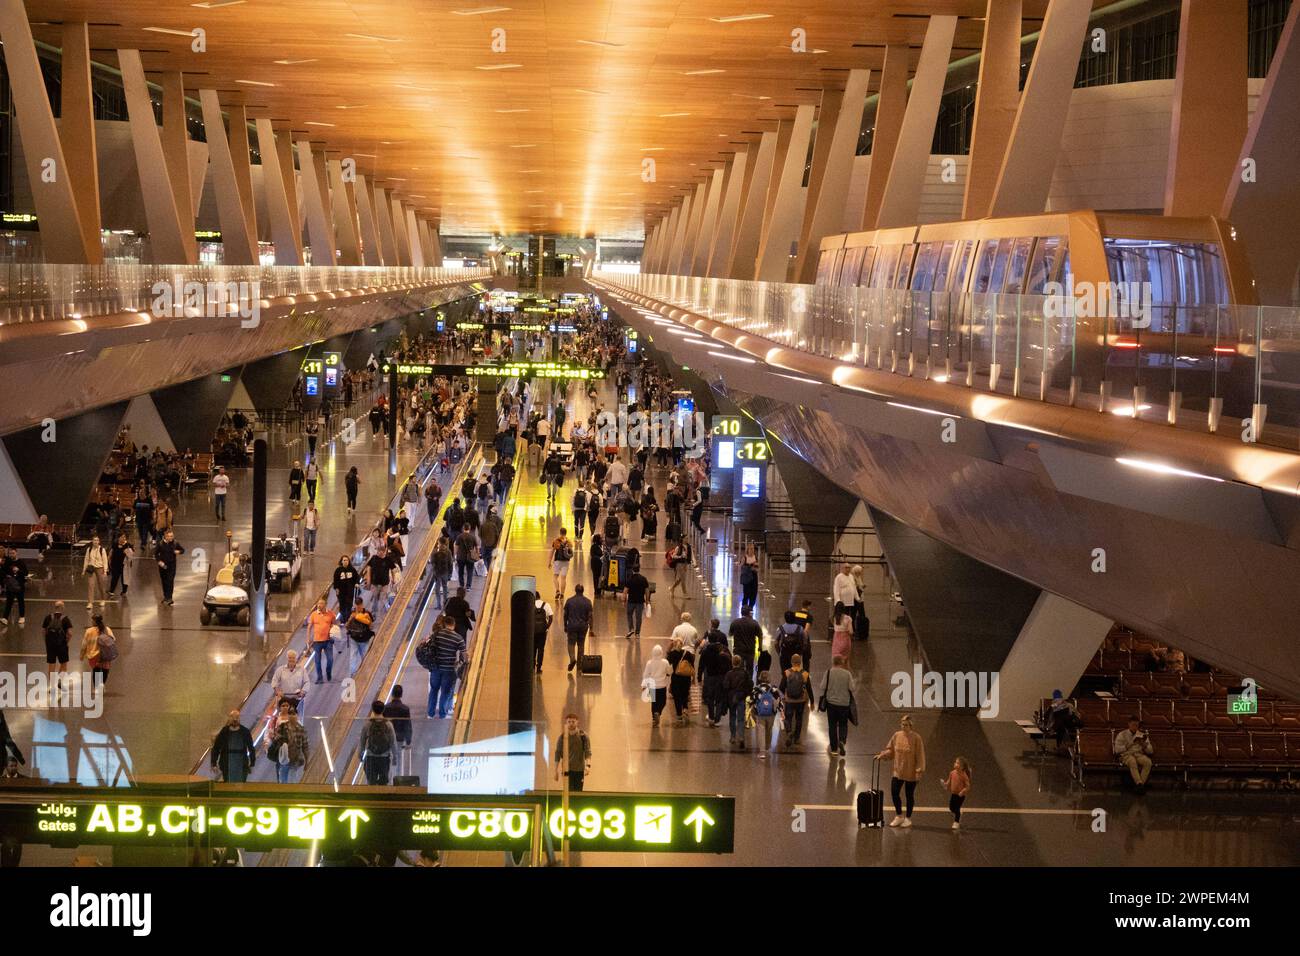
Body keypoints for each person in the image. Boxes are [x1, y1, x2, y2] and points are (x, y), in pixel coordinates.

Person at [877, 714, 926, 828]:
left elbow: (920, 755)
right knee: (894, 792)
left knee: (909, 795)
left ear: (911, 726)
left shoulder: (916, 738)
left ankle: (908, 818)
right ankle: (899, 816)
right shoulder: (896, 735)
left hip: (911, 773)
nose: (904, 727)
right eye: (902, 724)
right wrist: (882, 755)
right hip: (898, 771)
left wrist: (919, 770)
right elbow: (891, 751)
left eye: (906, 725)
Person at [422, 615, 467, 718]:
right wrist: (465, 662)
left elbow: (426, 644)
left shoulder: (436, 634)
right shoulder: (458, 638)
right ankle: (442, 714)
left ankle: (430, 713)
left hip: (435, 668)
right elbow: (464, 654)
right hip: (449, 670)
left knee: (434, 690)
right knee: (445, 692)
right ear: (453, 625)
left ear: (445, 624)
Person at [821, 654, 856, 757]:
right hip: (844, 704)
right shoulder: (847, 674)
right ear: (842, 663)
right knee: (843, 724)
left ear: (833, 662)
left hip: (831, 704)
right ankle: (842, 740)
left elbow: (822, 686)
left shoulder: (828, 673)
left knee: (832, 726)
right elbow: (852, 688)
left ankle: (834, 750)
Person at [268, 699, 308, 784]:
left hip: (295, 759)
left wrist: (307, 761)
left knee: (292, 781)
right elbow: (276, 739)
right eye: (291, 714)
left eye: (294, 714)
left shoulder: (300, 728)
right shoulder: (282, 726)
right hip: (283, 758)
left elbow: (305, 745)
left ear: (297, 715)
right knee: (282, 781)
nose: (292, 716)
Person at [211, 710, 255, 783]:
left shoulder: (245, 732)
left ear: (239, 718)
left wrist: (252, 763)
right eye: (232, 717)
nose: (235, 719)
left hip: (241, 764)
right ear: (229, 718)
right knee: (228, 785)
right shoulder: (224, 731)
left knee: (241, 786)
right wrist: (214, 763)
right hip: (226, 764)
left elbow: (251, 748)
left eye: (237, 717)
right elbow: (216, 748)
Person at [699, 633, 732, 727]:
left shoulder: (706, 650)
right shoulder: (724, 649)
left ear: (709, 639)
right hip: (721, 677)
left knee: (710, 698)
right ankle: (717, 719)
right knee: (719, 699)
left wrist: (698, 677)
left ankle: (711, 717)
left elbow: (701, 664)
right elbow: (730, 662)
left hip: (710, 677)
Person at [1114, 715, 1154, 792]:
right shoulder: (1122, 734)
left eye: (1136, 725)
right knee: (1132, 761)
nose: (1135, 727)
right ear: (1129, 724)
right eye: (1133, 725)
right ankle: (1139, 784)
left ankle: (1139, 785)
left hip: (1139, 754)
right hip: (1126, 755)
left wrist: (1144, 746)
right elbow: (1117, 750)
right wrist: (1128, 745)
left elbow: (1151, 751)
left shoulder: (1142, 735)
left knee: (1148, 762)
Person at [360, 699, 396, 785]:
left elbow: (362, 740)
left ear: (373, 710)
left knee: (371, 782)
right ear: (383, 710)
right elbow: (393, 742)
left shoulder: (368, 724)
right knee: (383, 783)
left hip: (371, 757)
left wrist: (361, 754)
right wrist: (395, 756)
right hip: (384, 757)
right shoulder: (388, 724)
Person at [779, 653, 811, 749]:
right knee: (799, 718)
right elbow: (809, 688)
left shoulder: (787, 673)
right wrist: (812, 701)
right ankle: (797, 738)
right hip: (801, 700)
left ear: (791, 662)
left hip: (789, 700)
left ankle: (789, 732)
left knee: (787, 718)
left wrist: (781, 698)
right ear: (800, 662)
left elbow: (781, 687)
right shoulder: (805, 673)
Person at [552, 713, 591, 791]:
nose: (571, 724)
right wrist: (555, 770)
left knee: (578, 792)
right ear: (566, 723)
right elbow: (558, 753)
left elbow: (588, 752)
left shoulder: (583, 736)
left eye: (573, 722)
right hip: (567, 770)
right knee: (567, 792)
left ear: (577, 722)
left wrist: (588, 766)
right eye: (569, 722)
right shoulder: (562, 737)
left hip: (579, 770)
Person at [748, 671, 781, 758]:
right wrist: (779, 710)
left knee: (761, 730)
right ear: (769, 678)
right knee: (769, 730)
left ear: (760, 678)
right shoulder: (774, 689)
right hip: (771, 714)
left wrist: (752, 710)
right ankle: (767, 747)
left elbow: (751, 700)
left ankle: (762, 752)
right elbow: (778, 701)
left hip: (760, 714)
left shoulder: (756, 689)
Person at [562, 584, 594, 673]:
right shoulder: (588, 601)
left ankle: (572, 659)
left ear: (575, 590)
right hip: (583, 626)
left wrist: (565, 625)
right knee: (581, 645)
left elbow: (565, 615)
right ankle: (579, 667)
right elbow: (590, 616)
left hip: (572, 625)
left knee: (571, 643)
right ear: (583, 591)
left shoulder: (569, 601)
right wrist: (591, 629)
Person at [723, 655, 753, 748]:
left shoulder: (729, 674)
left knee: (732, 717)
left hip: (732, 698)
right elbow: (750, 684)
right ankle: (741, 737)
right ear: (740, 663)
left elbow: (725, 686)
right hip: (741, 697)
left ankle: (732, 736)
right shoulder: (744, 673)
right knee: (741, 718)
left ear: (732, 663)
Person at [79, 614, 116, 691]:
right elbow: (113, 640)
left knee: (96, 671)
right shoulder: (107, 629)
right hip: (105, 654)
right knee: (105, 670)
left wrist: (82, 655)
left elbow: (84, 644)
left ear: (94, 621)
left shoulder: (89, 631)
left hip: (93, 655)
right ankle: (102, 683)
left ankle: (96, 688)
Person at [42, 601, 72, 685]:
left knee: (51, 665)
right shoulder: (65, 619)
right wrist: (66, 642)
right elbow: (70, 633)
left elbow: (44, 631)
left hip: (50, 645)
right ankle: (59, 680)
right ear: (62, 608)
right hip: (62, 645)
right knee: (64, 664)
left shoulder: (48, 617)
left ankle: (51, 685)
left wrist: (46, 642)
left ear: (55, 607)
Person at [641, 645, 672, 727]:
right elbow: (669, 671)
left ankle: (654, 718)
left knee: (654, 703)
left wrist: (644, 685)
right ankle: (658, 712)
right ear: (661, 652)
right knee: (663, 702)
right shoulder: (665, 662)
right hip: (662, 686)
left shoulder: (649, 663)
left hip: (652, 686)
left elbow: (646, 674)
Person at [307, 598, 336, 684]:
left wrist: (333, 632)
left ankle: (328, 672)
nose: (319, 605)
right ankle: (320, 678)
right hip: (317, 642)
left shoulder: (330, 613)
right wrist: (308, 639)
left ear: (325, 604)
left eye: (321, 604)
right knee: (317, 661)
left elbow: (334, 624)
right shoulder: (313, 614)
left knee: (330, 659)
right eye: (318, 604)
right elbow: (309, 627)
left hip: (328, 641)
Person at [666, 638, 695, 724]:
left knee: (677, 697)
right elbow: (692, 666)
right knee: (685, 694)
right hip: (686, 678)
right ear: (682, 645)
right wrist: (693, 678)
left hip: (676, 678)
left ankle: (679, 715)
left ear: (674, 644)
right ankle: (685, 708)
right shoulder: (688, 653)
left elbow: (667, 665)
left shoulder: (672, 654)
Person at [728, 607, 761, 678]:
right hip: (750, 649)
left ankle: (739, 683)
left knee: (739, 668)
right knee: (749, 668)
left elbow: (730, 634)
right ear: (749, 614)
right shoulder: (754, 623)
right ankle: (749, 685)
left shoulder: (735, 622)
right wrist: (760, 647)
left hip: (738, 649)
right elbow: (760, 635)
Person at [346, 597, 374, 676]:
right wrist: (350, 619)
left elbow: (371, 625)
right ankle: (354, 673)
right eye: (357, 604)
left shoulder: (366, 613)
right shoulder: (353, 614)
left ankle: (364, 673)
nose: (358, 606)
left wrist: (367, 619)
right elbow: (347, 626)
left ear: (362, 604)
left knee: (363, 656)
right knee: (356, 656)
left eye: (359, 604)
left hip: (363, 639)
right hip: (354, 639)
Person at [154, 529, 184, 606]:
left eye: (172, 536)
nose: (171, 537)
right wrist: (159, 561)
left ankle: (169, 598)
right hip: (163, 566)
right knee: (164, 581)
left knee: (170, 581)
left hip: (172, 565)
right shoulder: (160, 544)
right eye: (170, 536)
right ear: (165, 536)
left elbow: (182, 550)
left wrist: (178, 552)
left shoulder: (175, 543)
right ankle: (165, 597)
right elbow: (156, 554)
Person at [383, 686, 413, 761]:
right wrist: (408, 740)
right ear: (401, 695)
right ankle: (398, 771)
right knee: (399, 758)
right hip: (400, 737)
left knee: (387, 757)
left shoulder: (386, 707)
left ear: (392, 694)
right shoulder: (405, 709)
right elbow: (407, 725)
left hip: (388, 737)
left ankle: (389, 771)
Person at [942, 757, 972, 831]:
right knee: (951, 808)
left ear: (962, 767)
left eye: (957, 763)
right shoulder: (952, 773)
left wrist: (963, 791)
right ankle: (958, 813)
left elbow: (968, 786)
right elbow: (949, 781)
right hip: (953, 794)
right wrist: (945, 784)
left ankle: (956, 822)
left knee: (957, 808)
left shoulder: (964, 776)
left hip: (960, 795)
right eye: (955, 762)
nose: (955, 764)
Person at [82, 535, 109, 610]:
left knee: (101, 585)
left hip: (100, 568)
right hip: (91, 568)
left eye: (97, 540)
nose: (95, 542)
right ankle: (90, 602)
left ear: (99, 541)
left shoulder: (102, 550)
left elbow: (105, 560)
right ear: (92, 541)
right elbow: (86, 559)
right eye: (94, 540)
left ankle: (103, 599)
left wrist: (105, 570)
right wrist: (84, 570)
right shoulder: (89, 549)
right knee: (90, 585)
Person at [2, 549, 27, 625]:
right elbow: (3, 571)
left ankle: (22, 617)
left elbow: (26, 573)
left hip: (19, 585)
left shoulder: (21, 562)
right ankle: (5, 618)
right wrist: (6, 575)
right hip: (10, 585)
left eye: (13, 553)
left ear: (16, 553)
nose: (11, 555)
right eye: (10, 553)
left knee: (20, 601)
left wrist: (18, 570)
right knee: (9, 602)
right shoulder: (8, 562)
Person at [624, 565, 650, 639]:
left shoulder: (629, 579)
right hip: (640, 602)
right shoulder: (643, 579)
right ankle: (637, 633)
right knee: (638, 617)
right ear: (639, 570)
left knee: (629, 615)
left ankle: (631, 629)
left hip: (631, 601)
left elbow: (625, 591)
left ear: (632, 570)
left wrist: (624, 600)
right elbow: (647, 591)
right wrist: (647, 600)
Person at [548, 528, 574, 601]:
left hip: (557, 561)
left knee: (555, 576)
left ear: (560, 533)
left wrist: (549, 562)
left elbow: (552, 551)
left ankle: (557, 590)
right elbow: (571, 551)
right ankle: (562, 594)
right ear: (566, 533)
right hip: (566, 562)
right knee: (563, 578)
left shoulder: (556, 541)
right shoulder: (569, 542)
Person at [533, 591, 554, 673]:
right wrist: (546, 627)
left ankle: (532, 665)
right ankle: (539, 667)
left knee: (533, 648)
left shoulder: (530, 605)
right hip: (542, 631)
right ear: (539, 596)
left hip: (533, 631)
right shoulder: (546, 605)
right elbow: (551, 617)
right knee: (541, 649)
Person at [430, 536, 453, 609]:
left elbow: (432, 561)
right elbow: (450, 563)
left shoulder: (435, 551)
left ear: (439, 542)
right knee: (445, 588)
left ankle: (438, 605)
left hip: (437, 573)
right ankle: (445, 604)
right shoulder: (448, 551)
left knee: (437, 589)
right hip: (445, 572)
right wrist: (450, 573)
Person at [454, 523, 478, 589]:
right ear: (469, 529)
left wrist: (455, 555)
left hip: (460, 556)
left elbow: (456, 547)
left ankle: (461, 585)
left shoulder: (459, 536)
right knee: (470, 571)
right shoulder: (473, 537)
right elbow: (476, 547)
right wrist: (477, 554)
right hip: (470, 556)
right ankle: (468, 586)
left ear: (463, 528)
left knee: (460, 571)